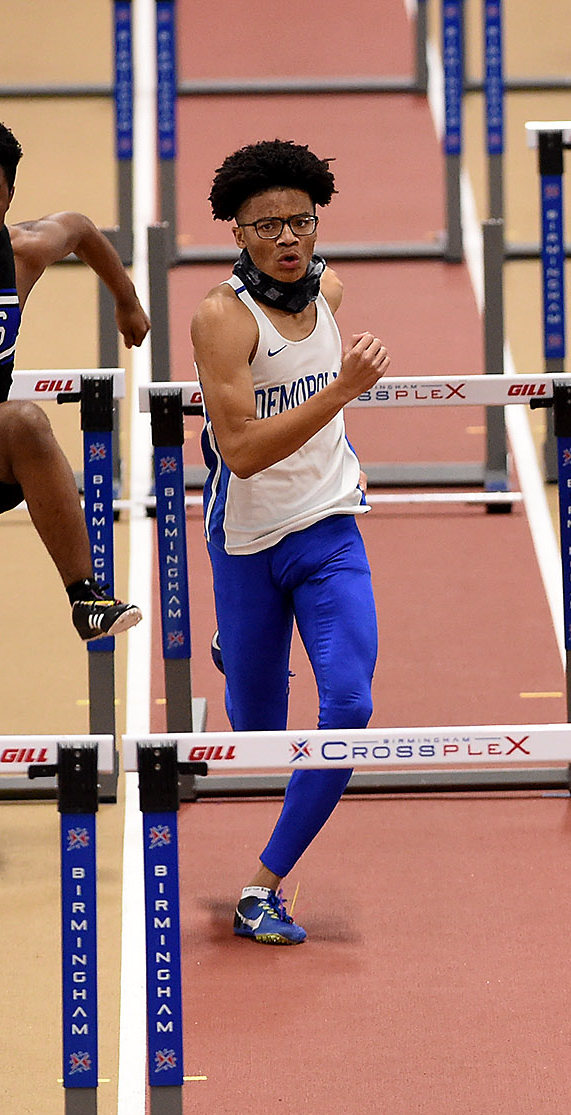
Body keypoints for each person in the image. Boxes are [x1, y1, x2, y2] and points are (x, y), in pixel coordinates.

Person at [0, 117, 149, 860]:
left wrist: (127, 300)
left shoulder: (22, 255)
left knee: (26, 420)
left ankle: (86, 598)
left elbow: (80, 228)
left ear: (9, 198)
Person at [190, 140, 389, 945]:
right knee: (260, 737)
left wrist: (340, 421)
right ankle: (237, 649)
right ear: (237, 233)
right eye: (266, 226)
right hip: (247, 539)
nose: (287, 239)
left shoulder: (328, 291)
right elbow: (239, 451)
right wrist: (342, 391)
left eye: (299, 222)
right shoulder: (221, 318)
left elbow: (314, 389)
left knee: (349, 706)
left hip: (329, 530)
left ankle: (261, 887)